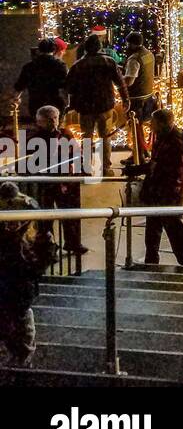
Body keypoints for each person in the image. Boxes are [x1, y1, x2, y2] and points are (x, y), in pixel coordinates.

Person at [21, 105, 88, 255]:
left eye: (55, 118)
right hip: (45, 181)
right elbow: (30, 161)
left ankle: (73, 242)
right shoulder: (33, 136)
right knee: (45, 217)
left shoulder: (65, 134)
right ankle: (47, 246)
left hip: (65, 180)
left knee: (71, 214)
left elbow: (77, 152)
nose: (53, 122)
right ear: (40, 121)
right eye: (48, 120)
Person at [0, 182, 53, 368]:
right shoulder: (30, 206)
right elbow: (45, 244)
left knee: (16, 315)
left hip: (15, 274)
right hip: (23, 274)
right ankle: (23, 356)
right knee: (20, 315)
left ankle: (20, 355)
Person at [65, 34, 130, 174]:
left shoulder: (78, 65)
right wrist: (126, 100)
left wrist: (72, 103)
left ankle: (87, 168)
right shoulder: (109, 61)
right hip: (105, 105)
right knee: (105, 136)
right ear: (100, 47)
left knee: (86, 137)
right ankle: (106, 168)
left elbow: (69, 87)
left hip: (85, 107)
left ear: (85, 48)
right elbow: (121, 83)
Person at [140, 108, 183, 265]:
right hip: (157, 194)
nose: (150, 126)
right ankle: (151, 262)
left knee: (177, 236)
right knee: (152, 232)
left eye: (153, 123)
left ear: (161, 123)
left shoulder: (175, 143)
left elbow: (170, 171)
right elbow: (156, 164)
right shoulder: (163, 138)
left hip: (168, 197)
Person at [13, 39, 67, 118]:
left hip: (36, 102)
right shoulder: (60, 65)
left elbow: (20, 85)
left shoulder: (29, 66)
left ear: (39, 49)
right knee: (54, 126)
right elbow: (66, 85)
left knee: (39, 125)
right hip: (55, 102)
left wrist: (16, 98)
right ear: (54, 49)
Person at [122, 32, 156, 121]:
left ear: (132, 44)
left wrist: (118, 80)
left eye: (128, 44)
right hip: (148, 98)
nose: (127, 47)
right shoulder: (149, 54)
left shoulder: (134, 59)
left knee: (135, 130)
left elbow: (129, 81)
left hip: (136, 101)